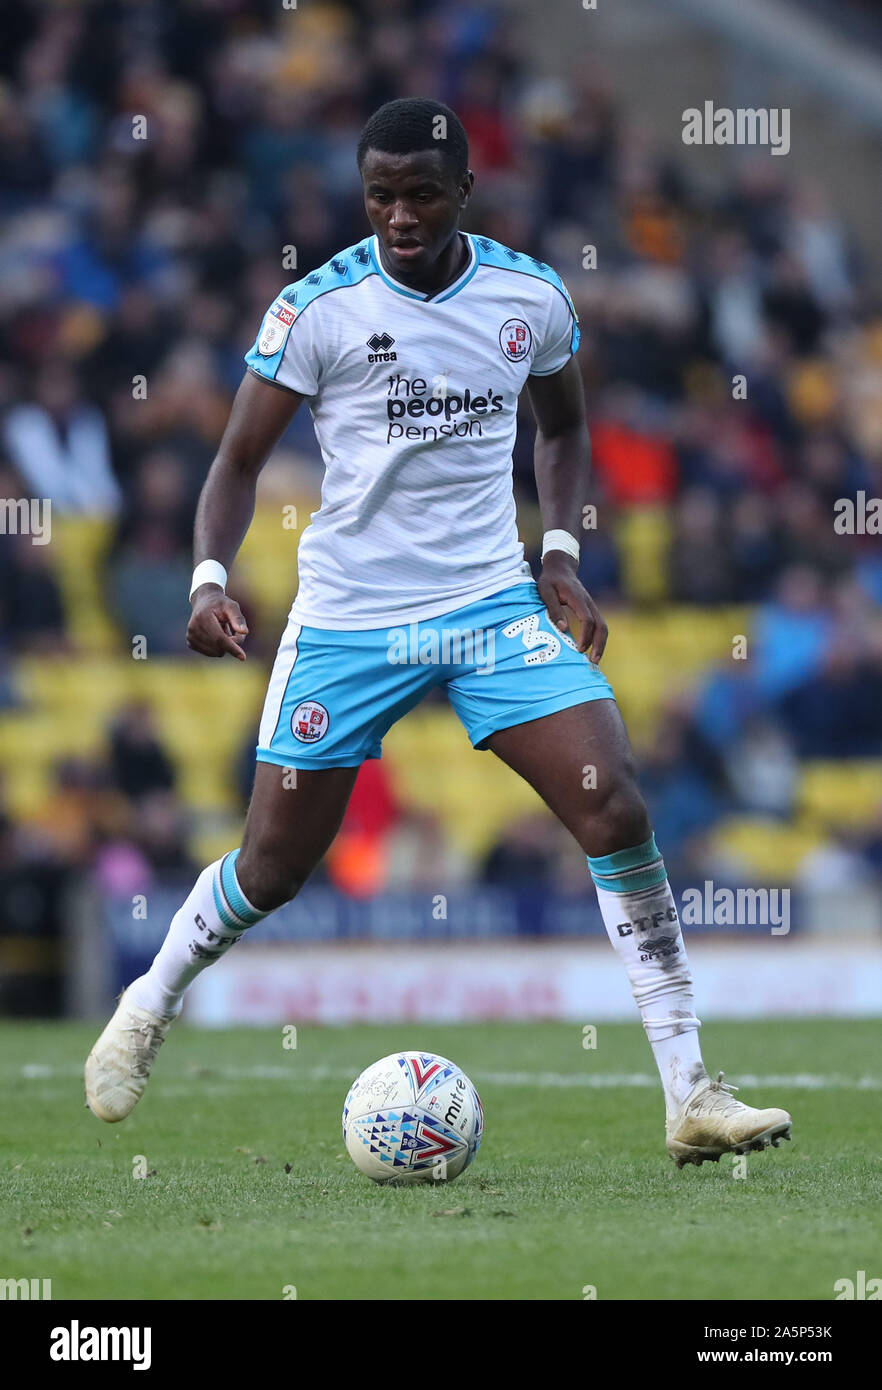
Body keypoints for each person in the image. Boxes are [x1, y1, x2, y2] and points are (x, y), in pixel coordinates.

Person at [85, 98, 791, 1167]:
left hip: (488, 602)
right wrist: (208, 578)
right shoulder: (316, 309)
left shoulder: (530, 297)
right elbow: (232, 462)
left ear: (465, 190)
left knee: (616, 807)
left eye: (420, 194)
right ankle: (150, 999)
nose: (399, 215)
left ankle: (691, 1090)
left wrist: (558, 554)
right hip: (350, 615)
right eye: (380, 196)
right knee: (273, 867)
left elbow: (564, 426)